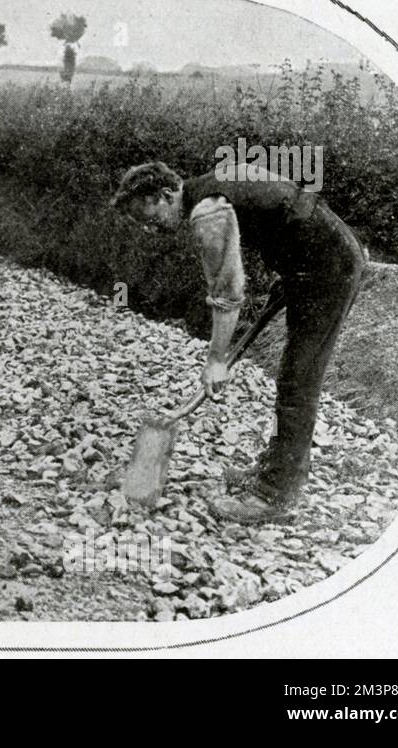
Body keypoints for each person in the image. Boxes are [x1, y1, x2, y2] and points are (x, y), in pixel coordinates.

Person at [111, 159, 366, 523]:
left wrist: (216, 360)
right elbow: (284, 209)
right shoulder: (211, 187)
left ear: (166, 195)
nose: (152, 230)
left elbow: (228, 294)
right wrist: (293, 268)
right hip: (314, 262)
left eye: (150, 219)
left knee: (298, 381)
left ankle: (277, 496)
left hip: (329, 268)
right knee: (294, 378)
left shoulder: (208, 212)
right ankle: (272, 470)